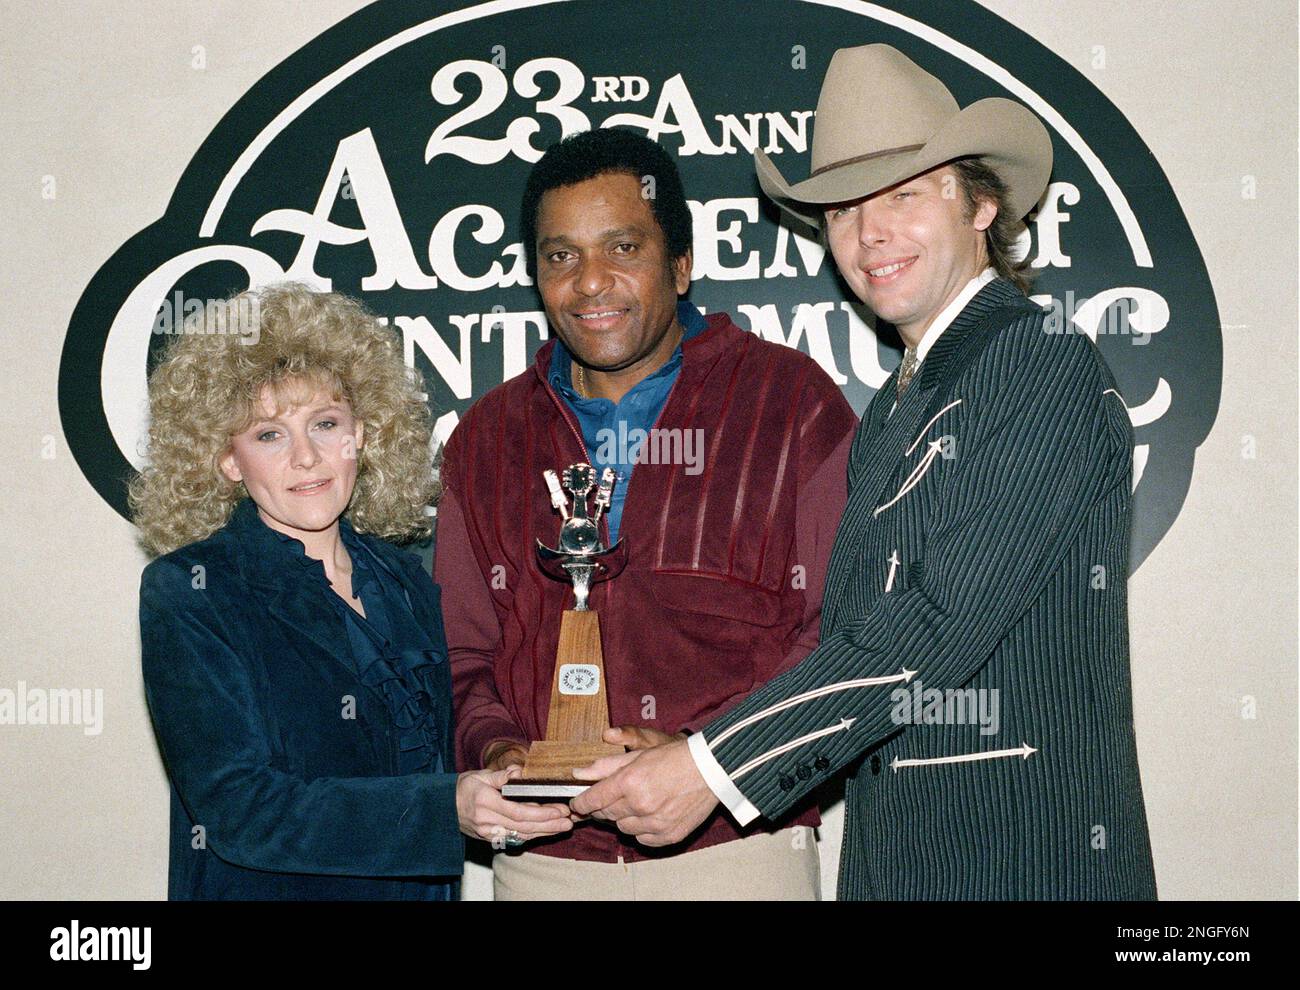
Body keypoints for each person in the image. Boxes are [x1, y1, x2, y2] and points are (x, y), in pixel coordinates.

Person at [572, 44, 1159, 900]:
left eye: (904, 196)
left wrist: (716, 763)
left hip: (1027, 863)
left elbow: (939, 621)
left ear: (982, 204)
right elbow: (854, 649)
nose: (869, 233)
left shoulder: (1040, 360)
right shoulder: (895, 404)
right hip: (906, 862)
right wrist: (697, 746)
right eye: (843, 210)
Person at [436, 127, 857, 900]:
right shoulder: (485, 437)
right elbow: (460, 653)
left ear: (683, 264)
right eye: (561, 256)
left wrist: (710, 761)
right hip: (542, 865)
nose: (590, 282)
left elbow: (841, 636)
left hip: (733, 852)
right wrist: (496, 753)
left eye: (623, 247)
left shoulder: (792, 405)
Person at [132, 282, 571, 900]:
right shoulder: (191, 591)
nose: (307, 457)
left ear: (362, 434)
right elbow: (239, 809)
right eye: (268, 435)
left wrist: (505, 769)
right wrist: (444, 808)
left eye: (326, 423)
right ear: (228, 459)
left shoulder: (407, 583)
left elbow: (433, 761)